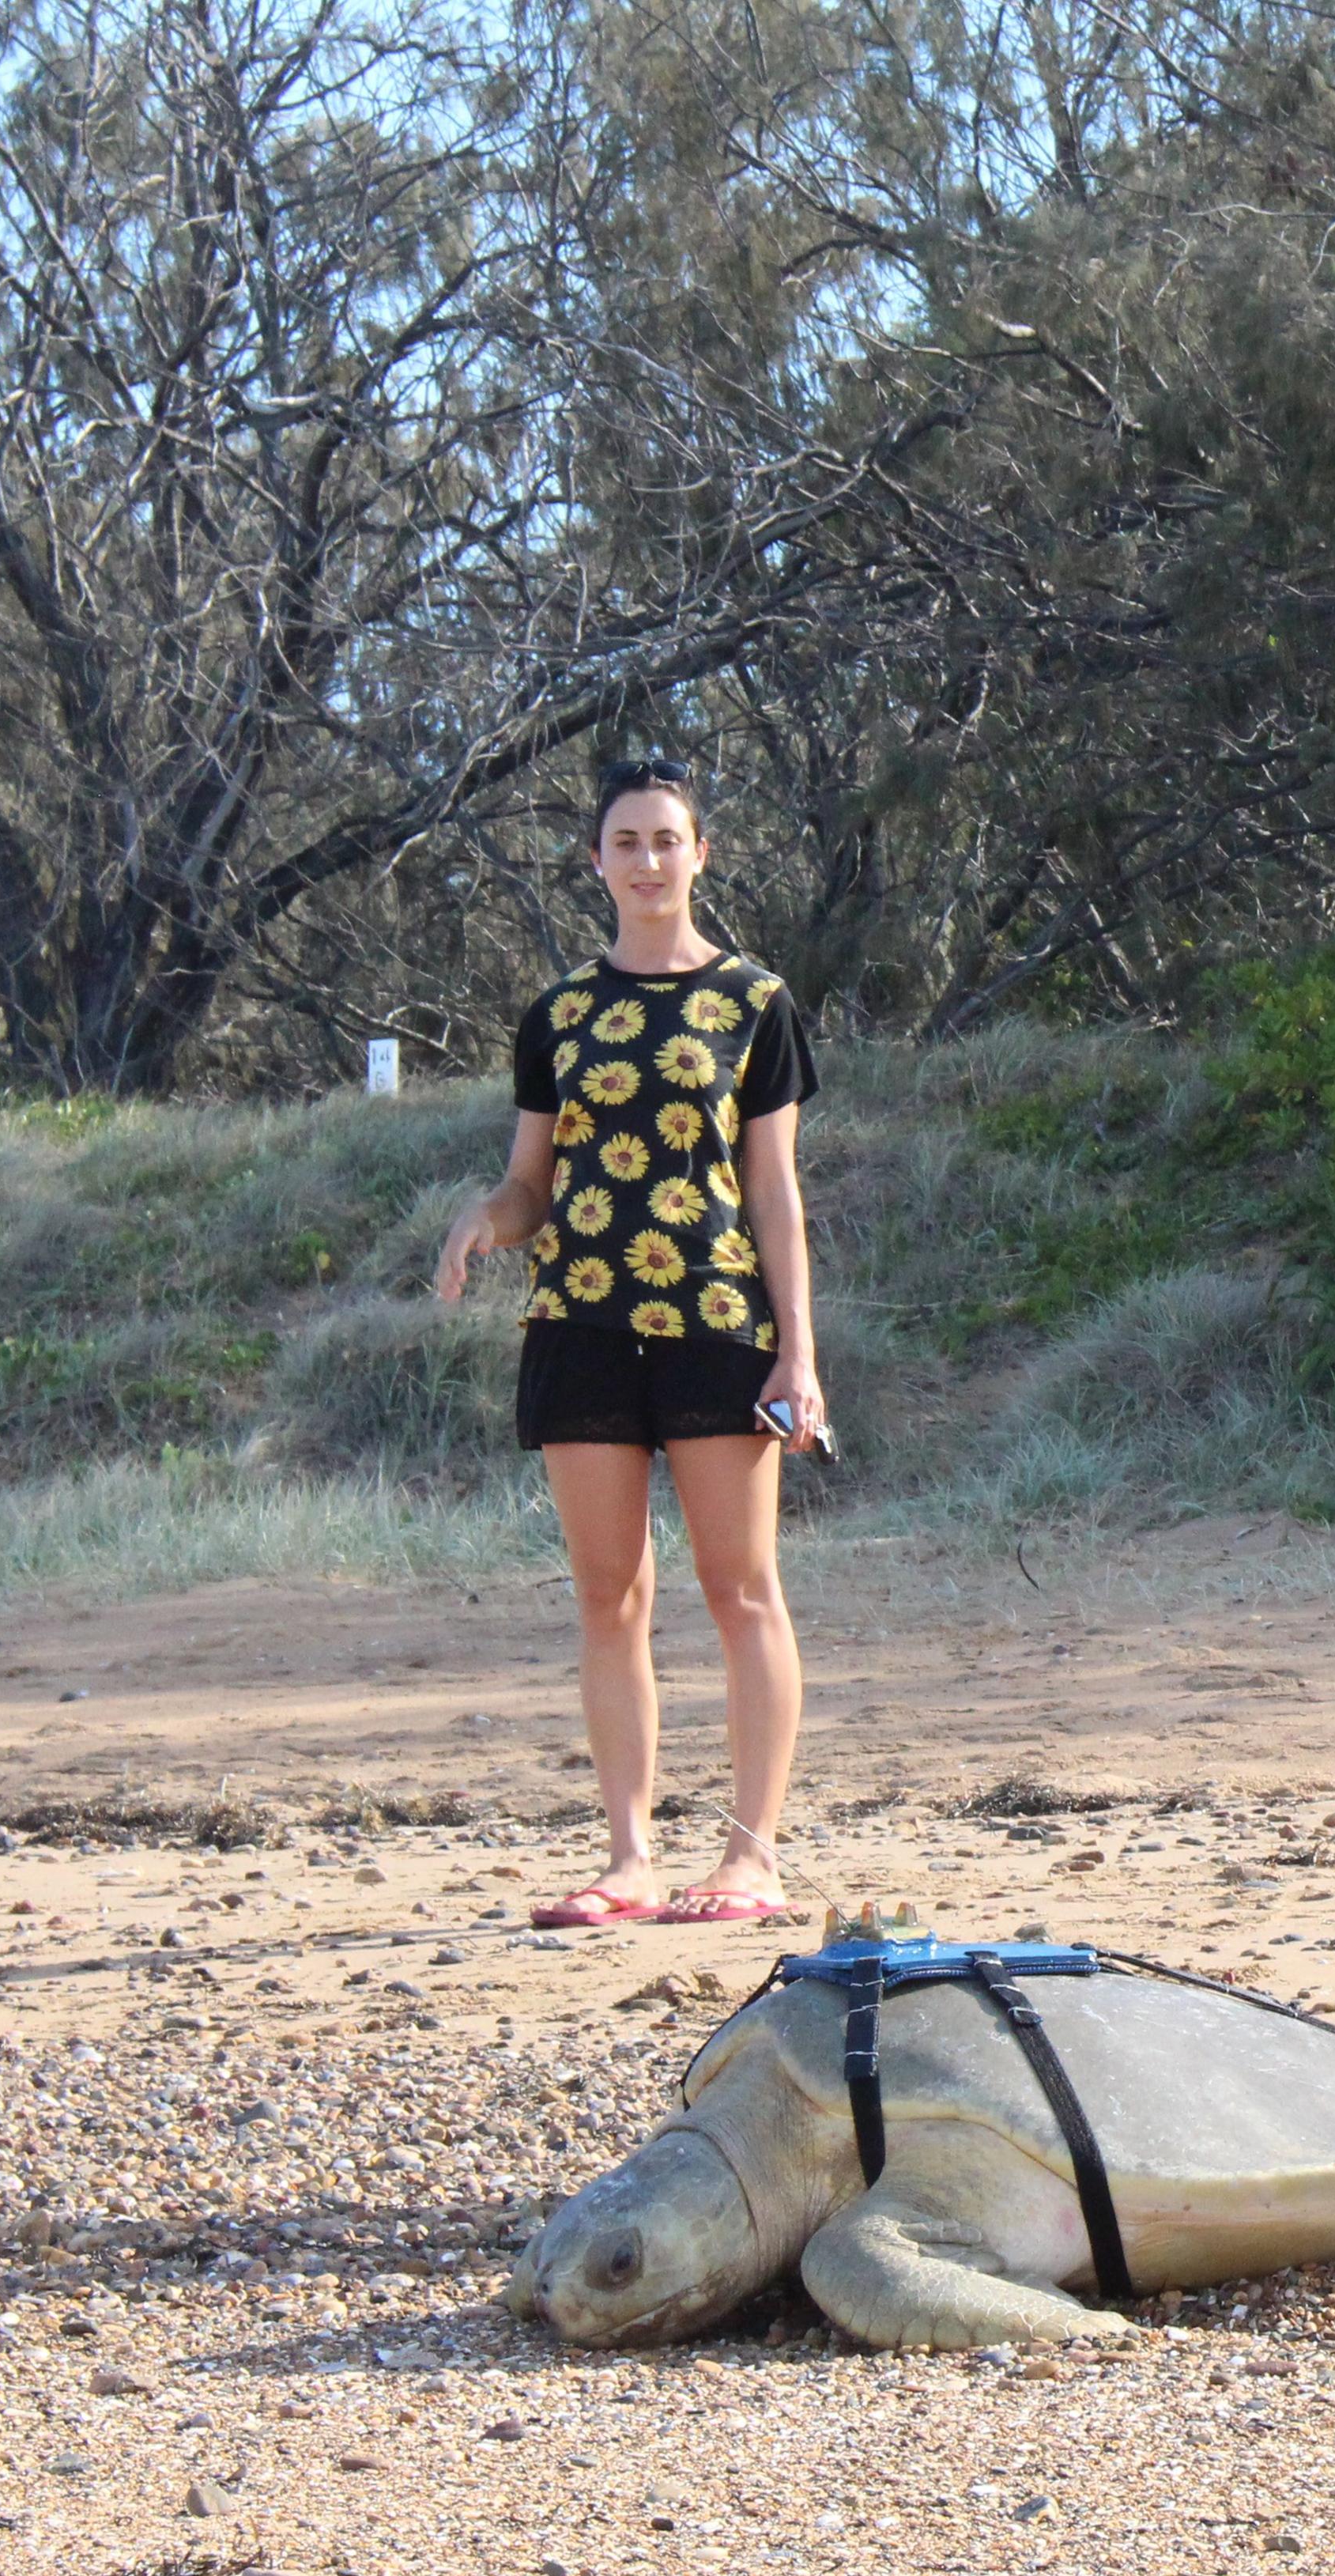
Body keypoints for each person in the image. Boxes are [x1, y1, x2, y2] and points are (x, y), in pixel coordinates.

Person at [433, 757, 828, 1926]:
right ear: (595, 862)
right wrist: (481, 1226)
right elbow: (528, 1184)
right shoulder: (559, 1013)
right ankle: (628, 1855)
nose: (649, 861)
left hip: (716, 1321)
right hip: (581, 1325)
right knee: (608, 1594)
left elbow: (774, 1192)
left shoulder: (755, 1004)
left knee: (739, 1584)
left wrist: (796, 1355)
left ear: (701, 853)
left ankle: (751, 1855)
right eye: (627, 841)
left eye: (668, 839)